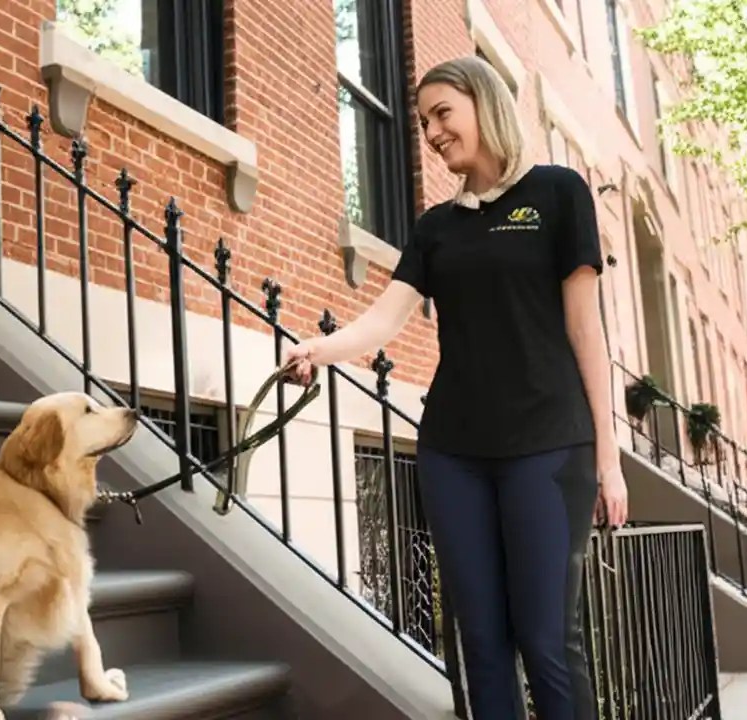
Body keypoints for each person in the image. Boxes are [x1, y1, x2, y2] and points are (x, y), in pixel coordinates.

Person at [285, 56, 627, 720]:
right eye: (423, 122)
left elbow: (588, 333)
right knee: (480, 646)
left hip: (549, 447)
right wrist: (317, 350)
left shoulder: (559, 193)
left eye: (443, 113)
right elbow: (386, 318)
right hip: (454, 454)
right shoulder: (436, 226)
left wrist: (608, 461)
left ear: (484, 102)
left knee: (547, 640)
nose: (433, 131)